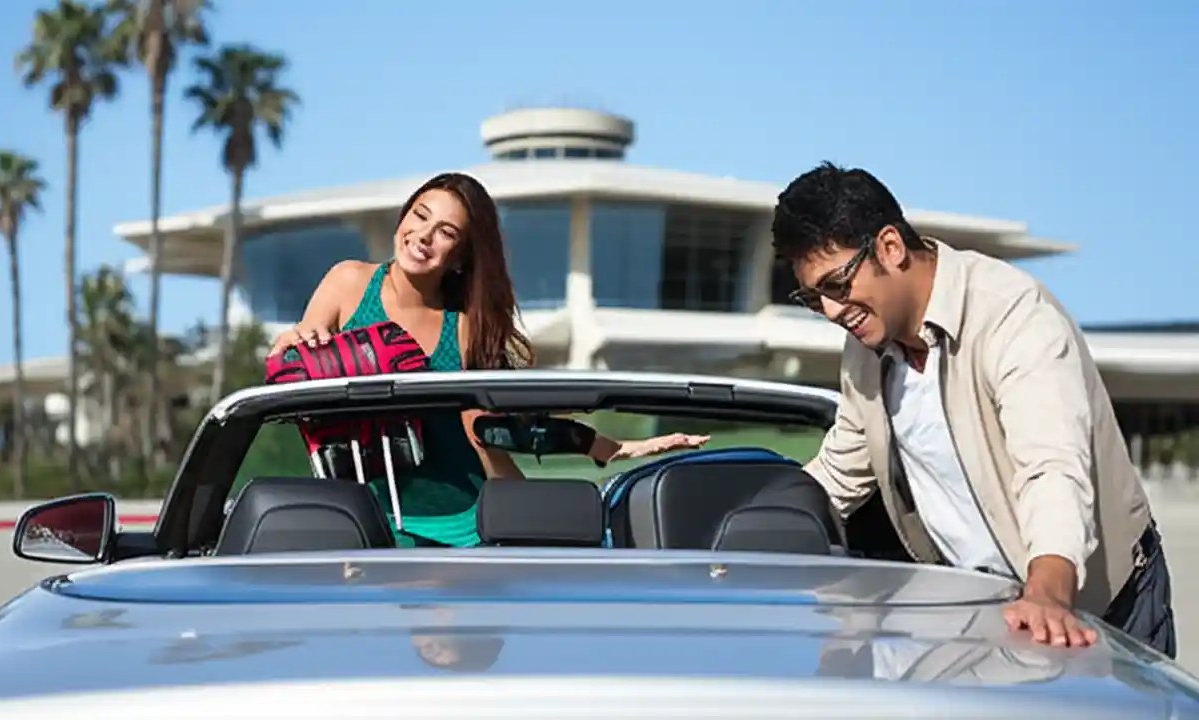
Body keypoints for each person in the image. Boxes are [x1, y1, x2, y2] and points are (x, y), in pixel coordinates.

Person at [773, 162, 1174, 658]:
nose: (832, 310)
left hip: (1101, 605)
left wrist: (1048, 592)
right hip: (979, 613)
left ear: (891, 247)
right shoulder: (864, 350)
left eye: (836, 285)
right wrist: (751, 531)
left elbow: (1052, 468)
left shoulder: (1014, 316)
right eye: (813, 299)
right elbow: (840, 475)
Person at [267, 171, 708, 547]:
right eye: (420, 216)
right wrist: (292, 342)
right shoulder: (349, 284)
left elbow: (500, 422)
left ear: (460, 258)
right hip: (363, 524)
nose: (424, 235)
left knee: (460, 647)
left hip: (462, 525)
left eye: (446, 231)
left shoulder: (462, 327)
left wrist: (615, 448)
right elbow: (301, 375)